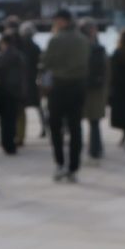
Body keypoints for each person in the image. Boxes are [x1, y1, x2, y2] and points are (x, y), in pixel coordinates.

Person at [41, 9, 90, 182]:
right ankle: (74, 167)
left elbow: (45, 63)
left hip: (59, 87)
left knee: (55, 127)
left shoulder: (56, 39)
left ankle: (60, 163)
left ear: (62, 21)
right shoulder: (83, 40)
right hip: (78, 87)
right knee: (75, 127)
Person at [0, 33, 27, 155]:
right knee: (12, 120)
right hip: (16, 92)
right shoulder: (19, 55)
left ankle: (6, 143)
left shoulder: (1, 56)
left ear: (3, 43)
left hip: (4, 92)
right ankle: (11, 143)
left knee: (4, 121)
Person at [80, 18, 109, 161]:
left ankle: (81, 147)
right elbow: (106, 69)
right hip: (97, 89)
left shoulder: (79, 46)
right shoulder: (99, 48)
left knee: (77, 120)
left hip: (80, 87)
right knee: (95, 121)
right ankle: (96, 149)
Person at [16, 20, 45, 144]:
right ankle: (44, 128)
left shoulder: (18, 46)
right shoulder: (36, 47)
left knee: (20, 109)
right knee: (39, 107)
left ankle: (19, 134)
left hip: (21, 81)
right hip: (32, 80)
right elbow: (41, 64)